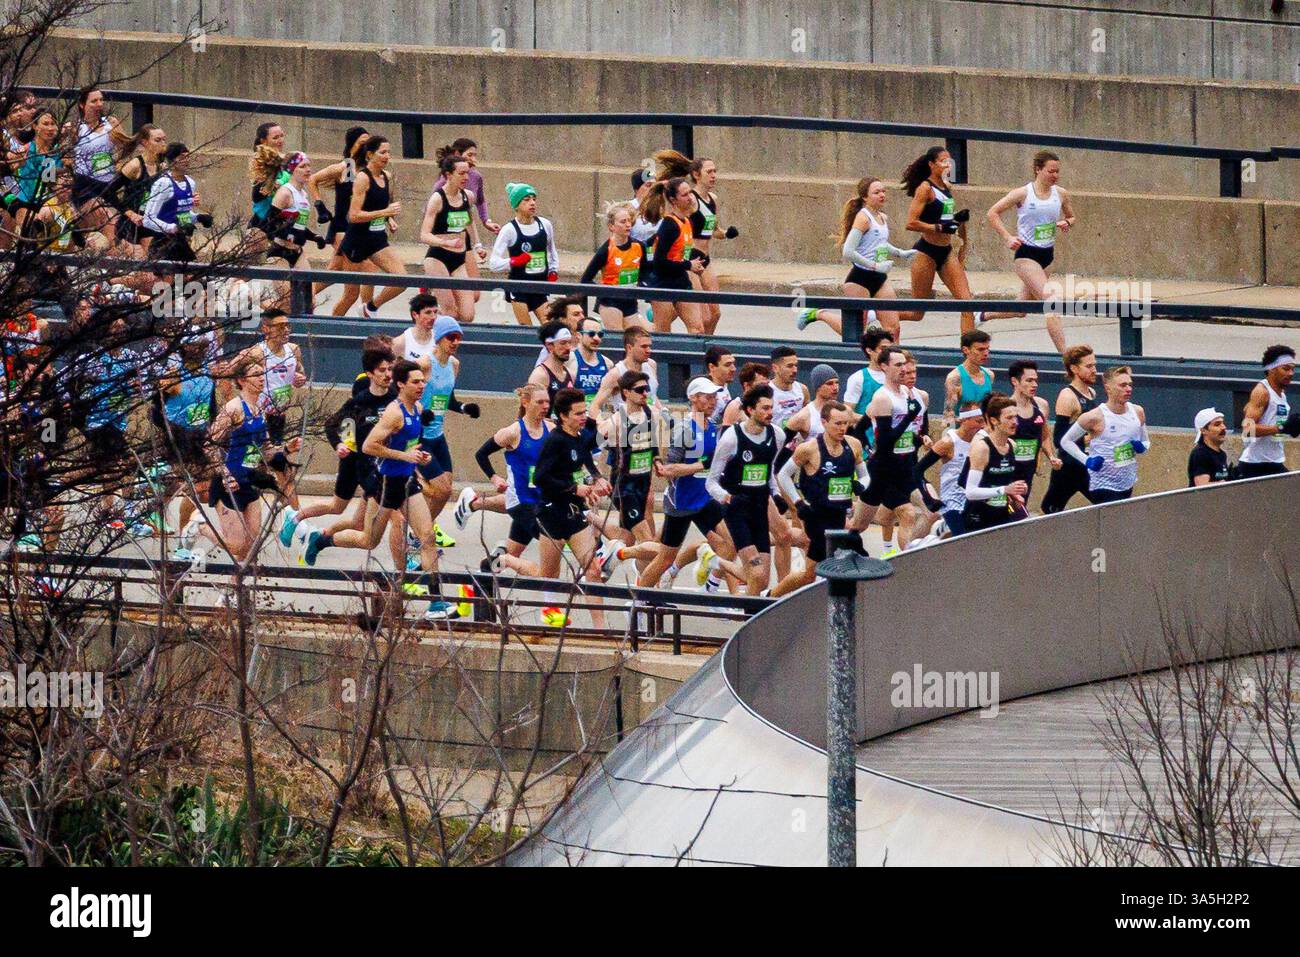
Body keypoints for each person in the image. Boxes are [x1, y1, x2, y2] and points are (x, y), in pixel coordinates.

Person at [301, 360, 458, 619]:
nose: (422, 385)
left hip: (408, 482)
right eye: (416, 382)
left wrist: (420, 457)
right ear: (401, 385)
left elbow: (411, 443)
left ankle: (436, 602)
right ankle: (322, 540)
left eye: (422, 381)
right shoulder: (394, 413)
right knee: (368, 540)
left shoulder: (418, 408)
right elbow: (369, 447)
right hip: (385, 484)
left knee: (427, 536)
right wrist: (404, 456)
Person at [278, 344, 396, 553]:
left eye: (390, 370)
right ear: (370, 374)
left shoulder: (395, 398)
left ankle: (319, 539)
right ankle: (296, 517)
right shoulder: (359, 403)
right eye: (382, 370)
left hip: (380, 467)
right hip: (357, 464)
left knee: (353, 519)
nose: (388, 374)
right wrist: (339, 444)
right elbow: (332, 424)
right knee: (339, 507)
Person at [199, 357, 302, 562]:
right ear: (242, 380)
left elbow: (265, 451)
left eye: (262, 374)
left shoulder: (260, 412)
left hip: (248, 481)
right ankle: (199, 527)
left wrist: (287, 449)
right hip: (229, 482)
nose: (261, 379)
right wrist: (225, 474)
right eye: (255, 375)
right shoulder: (233, 408)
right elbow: (209, 445)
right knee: (237, 546)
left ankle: (235, 591)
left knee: (252, 547)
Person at [636, 378, 734, 592]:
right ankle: (638, 599)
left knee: (730, 542)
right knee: (665, 558)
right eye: (708, 397)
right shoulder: (685, 429)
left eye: (714, 397)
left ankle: (710, 585)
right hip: (681, 503)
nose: (713, 401)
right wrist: (702, 465)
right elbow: (667, 470)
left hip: (705, 500)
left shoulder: (711, 426)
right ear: (693, 398)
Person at [981, 150, 1077, 354]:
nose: (1055, 175)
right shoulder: (1022, 193)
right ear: (1038, 170)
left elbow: (1072, 216)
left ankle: (983, 315)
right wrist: (1007, 237)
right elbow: (992, 213)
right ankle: (1066, 356)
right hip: (1026, 255)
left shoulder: (1061, 194)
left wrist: (1066, 222)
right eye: (1051, 171)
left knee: (1021, 310)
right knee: (1051, 301)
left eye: (1058, 172)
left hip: (1047, 256)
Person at [532, 388, 613, 628]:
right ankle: (548, 612)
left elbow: (584, 460)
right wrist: (572, 488)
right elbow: (540, 478)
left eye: (584, 412)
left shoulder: (579, 435)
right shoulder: (554, 441)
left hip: (574, 512)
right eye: (578, 414)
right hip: (551, 512)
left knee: (593, 569)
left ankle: (600, 628)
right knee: (549, 574)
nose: (583, 417)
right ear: (564, 416)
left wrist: (596, 478)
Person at [770, 401, 866, 597]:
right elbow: (783, 475)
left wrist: (861, 485)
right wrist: (798, 503)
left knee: (816, 571)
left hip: (840, 513)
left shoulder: (853, 445)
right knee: (813, 572)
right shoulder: (809, 449)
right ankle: (770, 597)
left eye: (845, 423)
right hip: (816, 516)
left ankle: (834, 601)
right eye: (837, 423)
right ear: (823, 422)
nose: (842, 428)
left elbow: (865, 475)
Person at [799, 177, 913, 339]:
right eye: (876, 192)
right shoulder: (863, 218)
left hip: (880, 278)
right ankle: (818, 314)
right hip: (860, 278)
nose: (882, 195)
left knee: (893, 328)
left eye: (883, 191)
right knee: (855, 332)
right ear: (865, 197)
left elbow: (879, 243)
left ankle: (892, 362)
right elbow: (848, 251)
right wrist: (874, 265)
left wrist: (899, 252)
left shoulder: (882, 217)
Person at [465, 383, 552, 576]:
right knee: (554, 539)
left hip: (540, 499)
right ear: (525, 403)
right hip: (520, 502)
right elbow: (481, 454)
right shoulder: (513, 432)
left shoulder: (551, 429)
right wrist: (494, 478)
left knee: (510, 554)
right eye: (539, 402)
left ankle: (483, 575)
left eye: (547, 401)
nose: (545, 406)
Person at [705, 384, 784, 596]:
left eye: (771, 407)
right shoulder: (732, 438)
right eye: (764, 408)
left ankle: (749, 618)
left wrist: (776, 495)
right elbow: (711, 482)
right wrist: (728, 498)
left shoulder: (777, 435)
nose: (770, 413)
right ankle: (717, 562)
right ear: (750, 410)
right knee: (756, 574)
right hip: (737, 510)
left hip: (760, 510)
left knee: (762, 579)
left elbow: (769, 472)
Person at [897, 146, 976, 334]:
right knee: (917, 313)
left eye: (949, 161)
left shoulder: (946, 187)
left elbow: (945, 218)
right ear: (932, 164)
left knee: (967, 305)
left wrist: (958, 220)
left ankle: (969, 353)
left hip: (946, 252)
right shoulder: (925, 189)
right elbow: (911, 223)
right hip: (927, 252)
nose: (947, 165)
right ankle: (876, 313)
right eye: (943, 161)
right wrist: (937, 228)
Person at [332, 134, 406, 319]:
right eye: (382, 152)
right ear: (370, 155)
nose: (387, 156)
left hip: (377, 240)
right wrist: (385, 213)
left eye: (389, 152)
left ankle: (370, 308)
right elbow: (354, 215)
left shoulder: (387, 177)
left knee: (403, 279)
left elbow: (382, 205)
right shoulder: (362, 178)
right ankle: (328, 326)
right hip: (357, 241)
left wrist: (390, 220)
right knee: (350, 295)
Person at [861, 346, 924, 554]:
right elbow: (886, 442)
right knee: (858, 525)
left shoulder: (905, 392)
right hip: (883, 469)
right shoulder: (882, 397)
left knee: (916, 510)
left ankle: (900, 556)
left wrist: (918, 437)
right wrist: (908, 418)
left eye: (905, 364)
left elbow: (866, 420)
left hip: (903, 465)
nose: (904, 369)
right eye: (898, 365)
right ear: (884, 367)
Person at [1060, 365, 1149, 504]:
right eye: (1123, 385)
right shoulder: (1094, 417)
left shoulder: (1138, 411)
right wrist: (1087, 460)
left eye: (1130, 385)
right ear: (1108, 388)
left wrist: (1142, 447)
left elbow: (1146, 442)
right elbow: (1066, 441)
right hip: (1103, 484)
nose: (1128, 389)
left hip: (1128, 482)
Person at [308, 127, 374, 311]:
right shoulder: (346, 167)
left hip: (359, 230)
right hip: (343, 230)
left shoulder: (368, 170)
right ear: (352, 144)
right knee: (368, 270)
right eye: (362, 142)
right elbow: (313, 180)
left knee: (335, 273)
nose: (366, 147)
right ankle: (368, 311)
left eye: (368, 144)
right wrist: (320, 205)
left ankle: (301, 295)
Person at [419, 153, 486, 322]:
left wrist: (477, 244)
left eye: (467, 173)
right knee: (450, 312)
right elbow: (424, 235)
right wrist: (445, 242)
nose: (466, 177)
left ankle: (432, 318)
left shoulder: (468, 196)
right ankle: (432, 336)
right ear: (448, 175)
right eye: (461, 173)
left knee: (467, 315)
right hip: (437, 258)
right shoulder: (438, 199)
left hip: (459, 259)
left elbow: (469, 222)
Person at [640, 176, 705, 334]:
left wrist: (694, 263)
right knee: (662, 332)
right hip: (663, 284)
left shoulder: (687, 221)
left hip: (681, 281)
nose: (690, 198)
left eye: (690, 193)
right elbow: (659, 262)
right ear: (673, 200)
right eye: (684, 195)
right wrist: (688, 265)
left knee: (697, 329)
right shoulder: (669, 225)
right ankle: (638, 325)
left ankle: (693, 358)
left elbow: (681, 252)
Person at [1040, 344, 1101, 514]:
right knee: (1050, 509)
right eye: (1088, 366)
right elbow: (1059, 438)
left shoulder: (1092, 393)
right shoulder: (1067, 396)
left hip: (1087, 463)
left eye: (1094, 365)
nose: (1094, 370)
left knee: (1106, 504)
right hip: (1069, 467)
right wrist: (1087, 438)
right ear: (1074, 368)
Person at [488, 182, 558, 325]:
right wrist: (514, 261)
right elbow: (493, 264)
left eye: (534, 199)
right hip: (519, 287)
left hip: (540, 285)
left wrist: (553, 271)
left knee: (550, 328)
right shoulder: (509, 230)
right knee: (527, 330)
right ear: (516, 205)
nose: (532, 203)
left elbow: (552, 251)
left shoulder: (545, 225)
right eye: (526, 200)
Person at [960, 392, 1030, 532]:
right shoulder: (982, 447)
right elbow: (970, 492)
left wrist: (1015, 491)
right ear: (994, 420)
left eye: (1016, 417)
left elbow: (1004, 481)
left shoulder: (1012, 445)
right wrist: (1005, 490)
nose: (1015, 422)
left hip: (1001, 514)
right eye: (1009, 418)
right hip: (978, 517)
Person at [914, 402, 984, 537]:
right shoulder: (948, 443)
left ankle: (940, 531)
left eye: (983, 421)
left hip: (972, 501)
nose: (982, 425)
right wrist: (928, 497)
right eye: (978, 421)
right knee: (963, 541)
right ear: (964, 420)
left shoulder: (981, 441)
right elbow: (917, 470)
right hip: (952, 502)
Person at [68, 87, 127, 246]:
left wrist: (118, 162)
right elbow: (62, 157)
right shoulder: (75, 128)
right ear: (82, 104)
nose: (99, 104)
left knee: (114, 228)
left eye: (101, 100)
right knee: (109, 224)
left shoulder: (111, 123)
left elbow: (125, 148)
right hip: (85, 187)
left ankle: (78, 231)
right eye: (94, 101)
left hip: (107, 185)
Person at [580, 203, 645, 330]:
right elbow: (585, 279)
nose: (628, 225)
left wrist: (642, 285)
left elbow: (646, 272)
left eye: (629, 221)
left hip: (630, 300)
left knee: (637, 336)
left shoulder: (639, 246)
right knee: (618, 339)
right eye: (622, 222)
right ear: (611, 226)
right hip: (610, 302)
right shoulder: (606, 250)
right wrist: (604, 291)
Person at [1239, 345, 1298, 478]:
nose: (1291, 373)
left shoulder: (1282, 395)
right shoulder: (1262, 392)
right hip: (1255, 465)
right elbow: (1248, 429)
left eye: (1293, 369)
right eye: (1286, 369)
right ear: (1271, 369)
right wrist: (1281, 428)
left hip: (1275, 460)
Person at [1006, 358, 1060, 499]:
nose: (1034, 385)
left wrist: (1051, 456)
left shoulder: (1041, 405)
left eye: (1035, 380)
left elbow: (1045, 435)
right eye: (1029, 381)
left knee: (1021, 507)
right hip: (1007, 472)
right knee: (1010, 514)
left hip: (1028, 472)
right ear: (1015, 381)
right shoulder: (1005, 408)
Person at [943, 330, 994, 427]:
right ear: (966, 350)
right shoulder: (955, 378)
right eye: (980, 349)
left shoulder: (989, 375)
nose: (986, 353)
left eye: (987, 349)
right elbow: (948, 417)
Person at [528, 320, 577, 407]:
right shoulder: (540, 375)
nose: (568, 347)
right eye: (563, 343)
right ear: (549, 345)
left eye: (569, 342)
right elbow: (531, 411)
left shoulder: (571, 374)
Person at [1188, 408, 1234, 487]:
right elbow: (1202, 486)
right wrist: (1224, 484)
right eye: (1217, 424)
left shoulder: (1222, 454)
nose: (1223, 427)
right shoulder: (1200, 454)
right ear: (1203, 431)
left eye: (1223, 423)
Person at [391, 293, 439, 368]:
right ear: (415, 315)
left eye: (435, 312)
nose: (433, 317)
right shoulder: (400, 343)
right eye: (428, 312)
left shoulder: (440, 340)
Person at [702, 345, 736, 426]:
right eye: (727, 365)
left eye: (733, 364)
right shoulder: (703, 393)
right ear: (712, 367)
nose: (733, 368)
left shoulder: (724, 386)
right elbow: (699, 427)